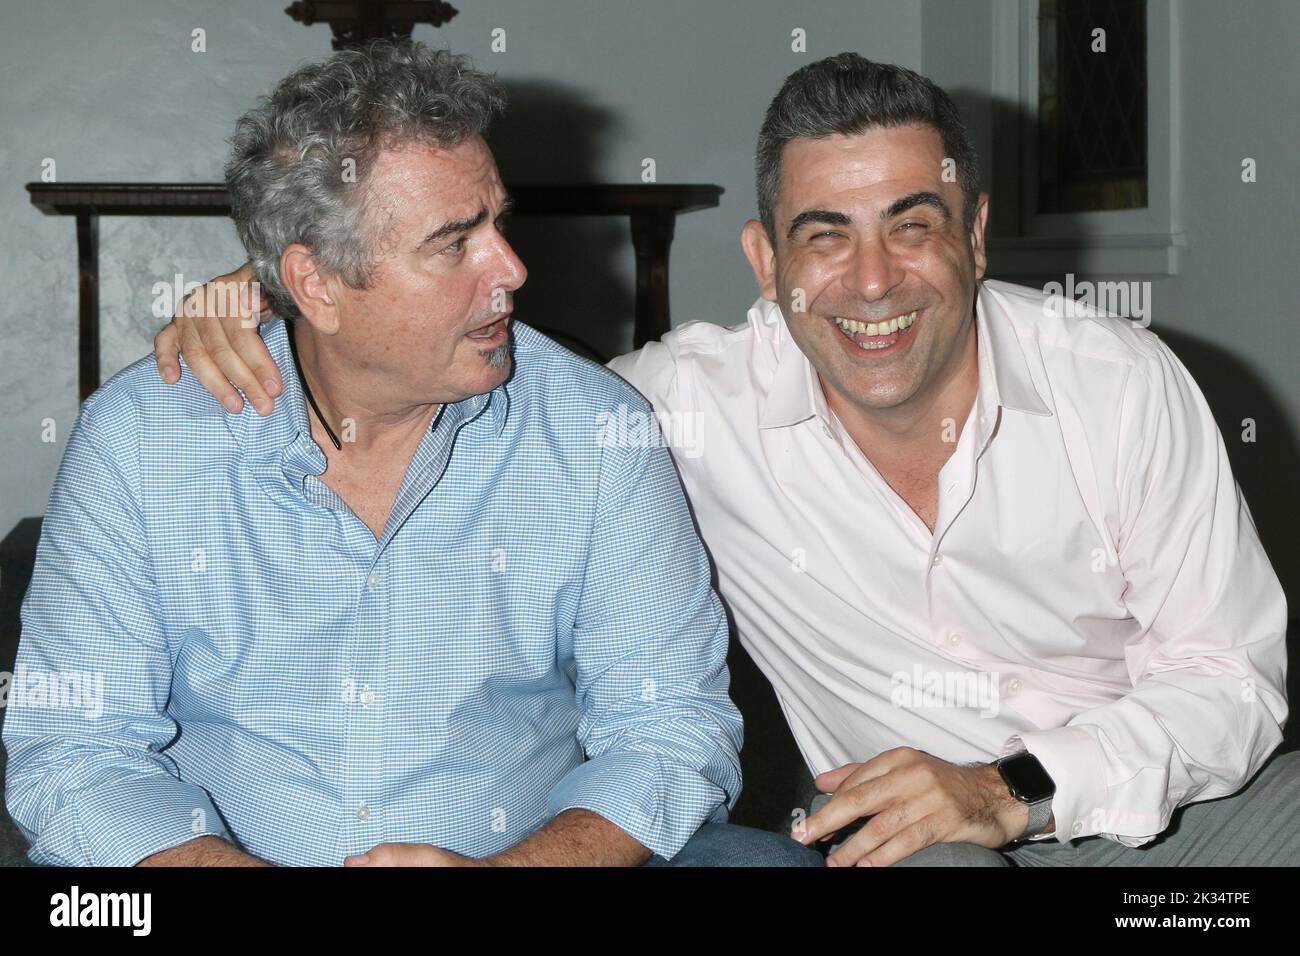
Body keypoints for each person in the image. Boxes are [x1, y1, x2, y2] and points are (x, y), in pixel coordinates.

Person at [152, 53, 1296, 867]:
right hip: (905, 838)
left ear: (975, 234)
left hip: (1171, 808)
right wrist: (270, 299)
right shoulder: (672, 408)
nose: (872, 280)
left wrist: (1014, 789)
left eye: (912, 222)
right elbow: (453, 357)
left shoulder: (1117, 382)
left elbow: (1232, 681)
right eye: (822, 234)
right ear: (762, 257)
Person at [3, 40, 824, 868]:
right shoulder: (143, 439)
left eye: (499, 222)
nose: (511, 267)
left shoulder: (595, 431)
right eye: (453, 242)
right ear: (316, 284)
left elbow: (671, 731)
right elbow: (74, 749)